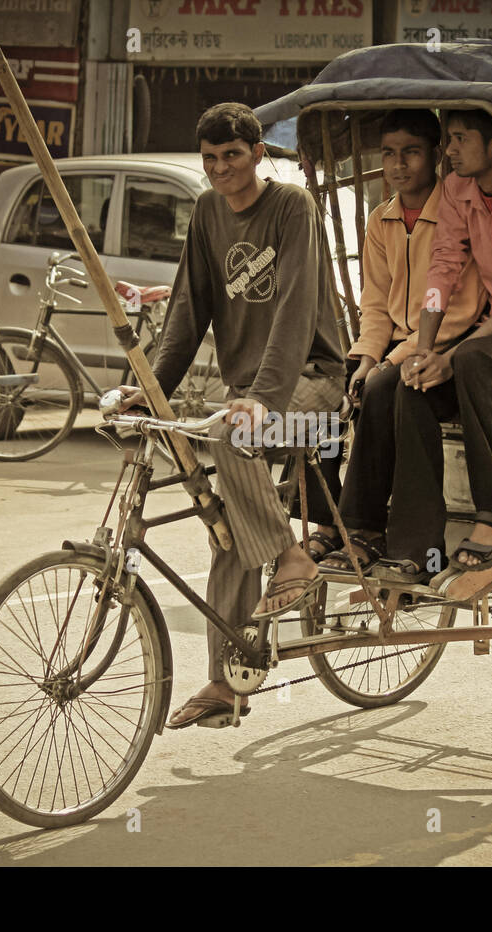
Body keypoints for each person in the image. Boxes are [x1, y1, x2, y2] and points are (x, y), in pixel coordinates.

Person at [118, 103, 346, 729]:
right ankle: (227, 681)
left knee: (233, 438)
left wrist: (265, 399)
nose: (221, 169)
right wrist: (149, 390)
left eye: (233, 155)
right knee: (229, 530)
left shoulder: (293, 207)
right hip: (253, 394)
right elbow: (188, 312)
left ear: (259, 155)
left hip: (312, 384)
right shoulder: (207, 213)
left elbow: (298, 306)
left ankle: (295, 558)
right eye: (211, 158)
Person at [332, 108, 492, 577]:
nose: (448, 151)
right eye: (447, 140)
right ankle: (400, 544)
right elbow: (442, 269)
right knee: (397, 385)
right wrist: (424, 351)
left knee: (471, 360)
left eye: (459, 140)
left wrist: (448, 356)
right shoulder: (458, 189)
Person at [306, 109, 487, 573]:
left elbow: (461, 306)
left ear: (434, 154)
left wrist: (393, 361)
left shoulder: (457, 213)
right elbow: (376, 303)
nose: (398, 165)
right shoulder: (381, 219)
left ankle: (381, 536)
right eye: (389, 154)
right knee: (328, 387)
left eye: (410, 152)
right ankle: (329, 522)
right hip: (398, 345)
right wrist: (366, 357)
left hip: (453, 345)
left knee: (389, 388)